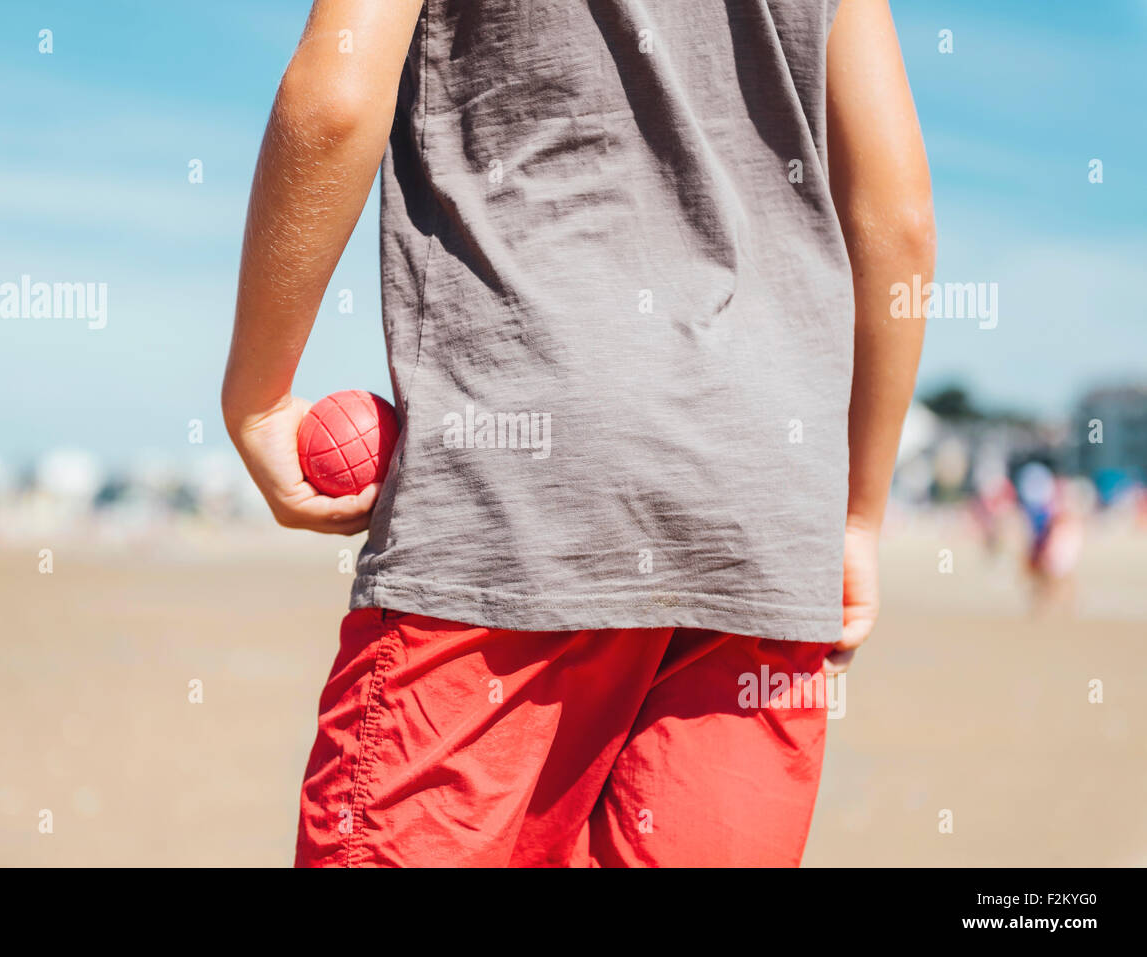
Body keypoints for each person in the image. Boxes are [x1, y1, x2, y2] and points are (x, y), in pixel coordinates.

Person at [223, 0, 934, 867]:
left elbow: (336, 100)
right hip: (764, 503)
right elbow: (898, 221)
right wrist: (858, 512)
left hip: (521, 489)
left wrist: (258, 393)